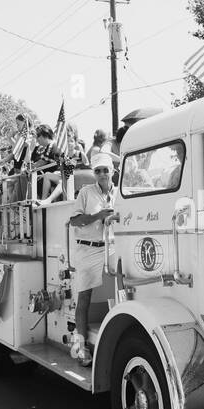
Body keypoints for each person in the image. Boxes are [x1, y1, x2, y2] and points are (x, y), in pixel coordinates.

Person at [67, 155, 118, 366]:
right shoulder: (86, 193)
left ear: (112, 171)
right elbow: (74, 221)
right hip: (88, 250)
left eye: (105, 170)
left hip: (112, 247)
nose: (102, 174)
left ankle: (115, 341)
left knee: (118, 295)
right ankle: (81, 346)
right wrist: (99, 216)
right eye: (98, 171)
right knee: (84, 298)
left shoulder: (121, 192)